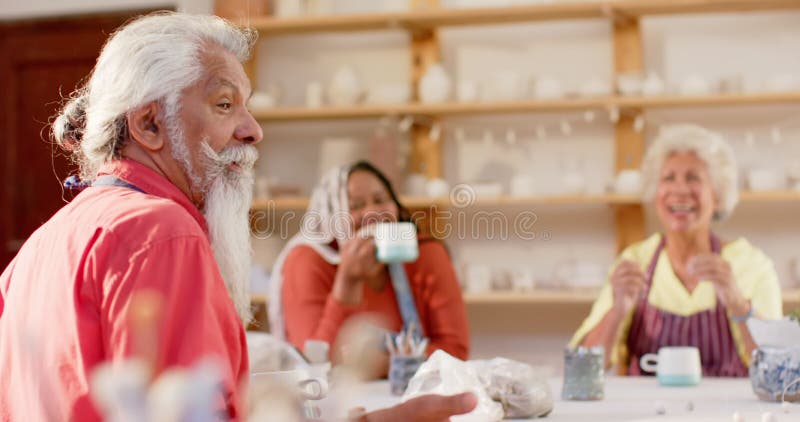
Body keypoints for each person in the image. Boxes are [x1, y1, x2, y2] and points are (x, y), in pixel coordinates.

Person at [0, 12, 476, 420]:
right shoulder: (161, 232)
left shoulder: (37, 248)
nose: (253, 131)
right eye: (224, 104)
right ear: (148, 124)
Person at [571, 124, 782, 377]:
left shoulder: (751, 263)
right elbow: (582, 369)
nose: (679, 190)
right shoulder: (635, 261)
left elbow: (778, 367)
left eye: (693, 178)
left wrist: (737, 303)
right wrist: (617, 311)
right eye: (668, 178)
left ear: (717, 194)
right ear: (655, 191)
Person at [271, 161, 470, 369]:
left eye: (380, 200)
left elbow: (455, 352)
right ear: (332, 216)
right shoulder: (307, 261)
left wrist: (375, 361)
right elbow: (313, 365)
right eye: (355, 205)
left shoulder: (426, 253)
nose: (373, 213)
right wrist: (347, 281)